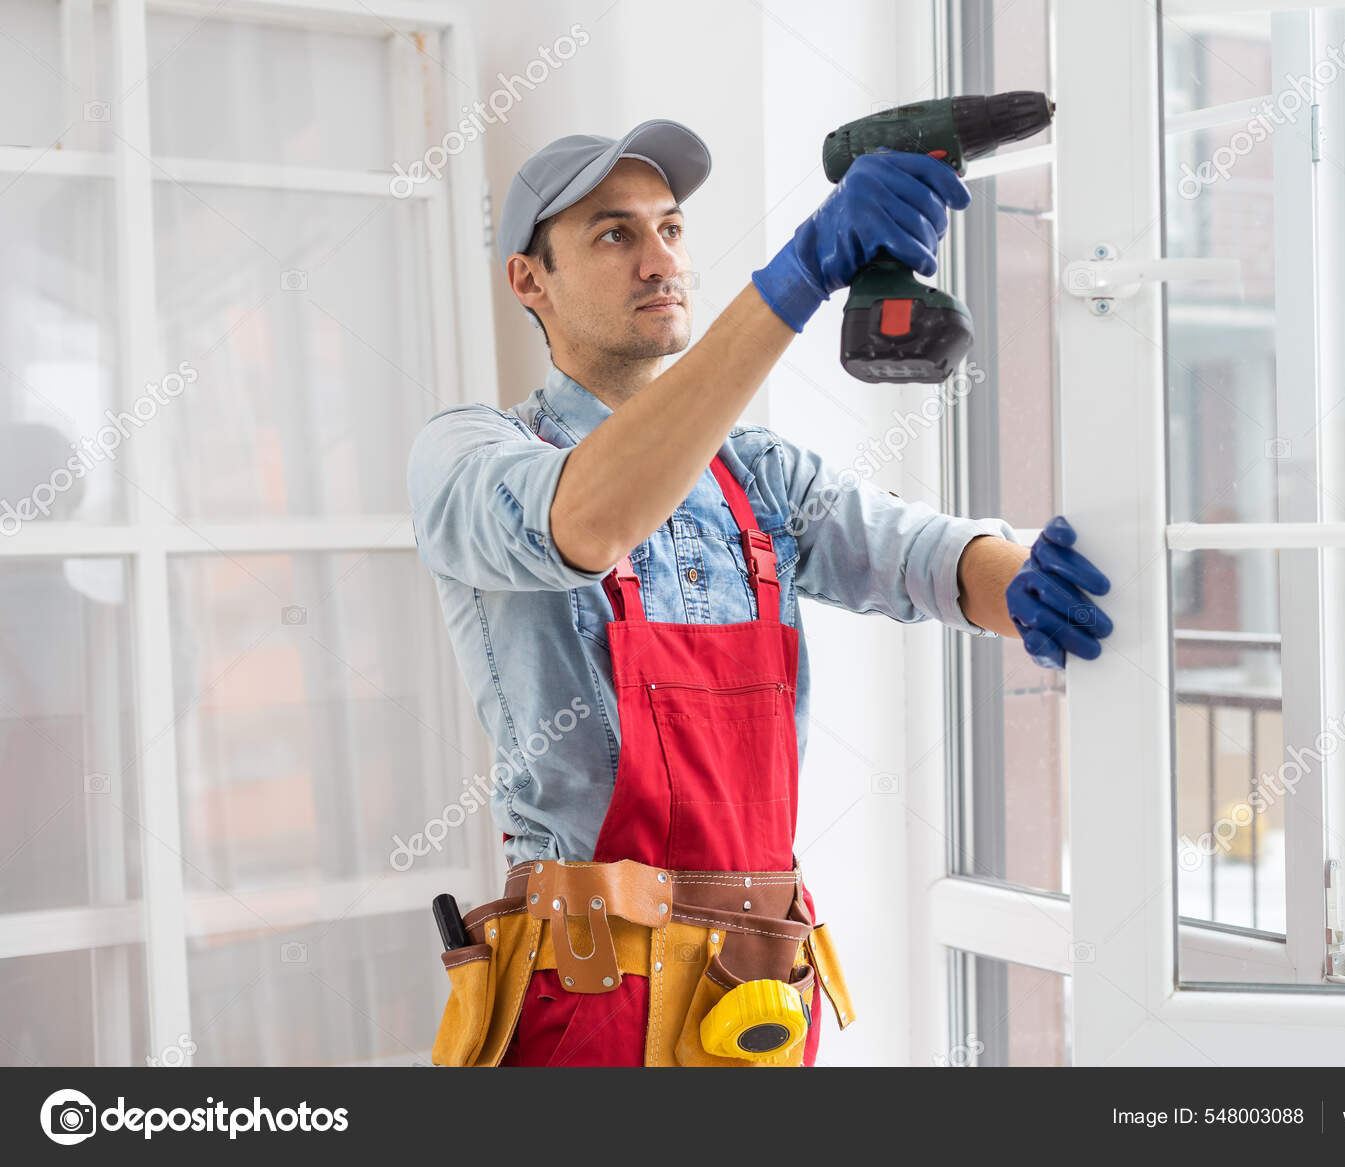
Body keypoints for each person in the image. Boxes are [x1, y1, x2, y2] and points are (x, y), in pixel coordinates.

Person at [407, 119, 1112, 1067]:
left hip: (754, 988)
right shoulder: (471, 454)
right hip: (586, 989)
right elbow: (588, 520)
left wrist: (1027, 584)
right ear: (529, 280)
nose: (660, 260)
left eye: (671, 228)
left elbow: (921, 556)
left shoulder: (754, 475)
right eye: (614, 234)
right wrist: (798, 277)